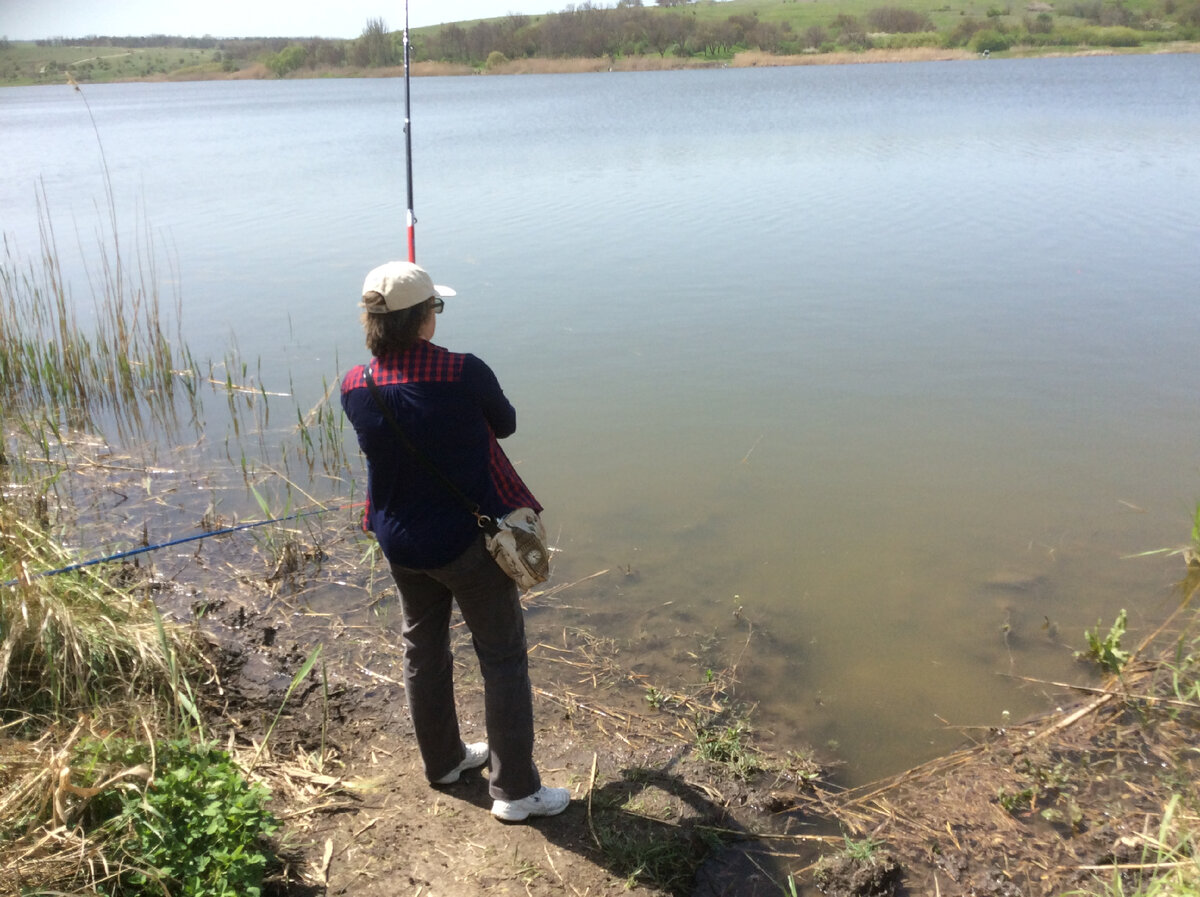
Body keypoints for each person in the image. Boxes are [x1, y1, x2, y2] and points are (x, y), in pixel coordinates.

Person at [340, 261, 569, 823]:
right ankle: (515, 791)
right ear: (425, 319)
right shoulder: (463, 372)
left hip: (400, 543)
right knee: (502, 659)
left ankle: (442, 761)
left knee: (423, 648)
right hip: (467, 545)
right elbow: (506, 423)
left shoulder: (355, 384)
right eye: (434, 308)